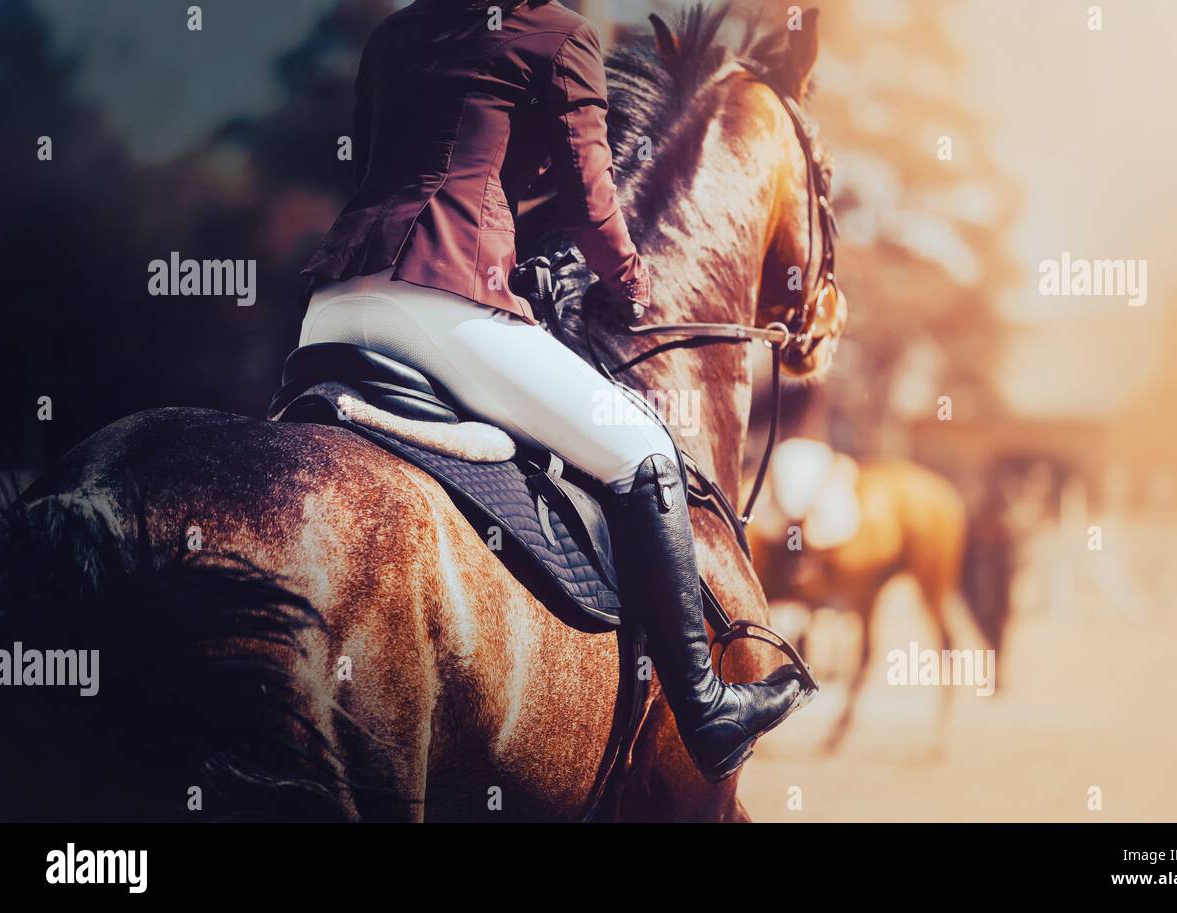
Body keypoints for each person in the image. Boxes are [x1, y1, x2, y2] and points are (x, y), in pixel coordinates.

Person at [298, 0, 808, 782]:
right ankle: (706, 707)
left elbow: (380, 175)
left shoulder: (396, 33)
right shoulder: (558, 34)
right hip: (440, 306)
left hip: (331, 311)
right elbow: (592, 205)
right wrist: (634, 290)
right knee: (643, 452)